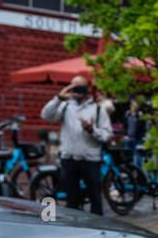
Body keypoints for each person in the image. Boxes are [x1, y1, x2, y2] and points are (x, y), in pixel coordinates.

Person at [41, 75, 112, 214]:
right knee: (71, 201)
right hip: (69, 160)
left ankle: (97, 230)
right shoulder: (65, 106)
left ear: (87, 89)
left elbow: (107, 135)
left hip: (90, 161)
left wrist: (92, 130)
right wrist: (59, 98)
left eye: (81, 87)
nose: (77, 91)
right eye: (74, 87)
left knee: (95, 199)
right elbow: (46, 115)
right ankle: (75, 230)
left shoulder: (98, 110)